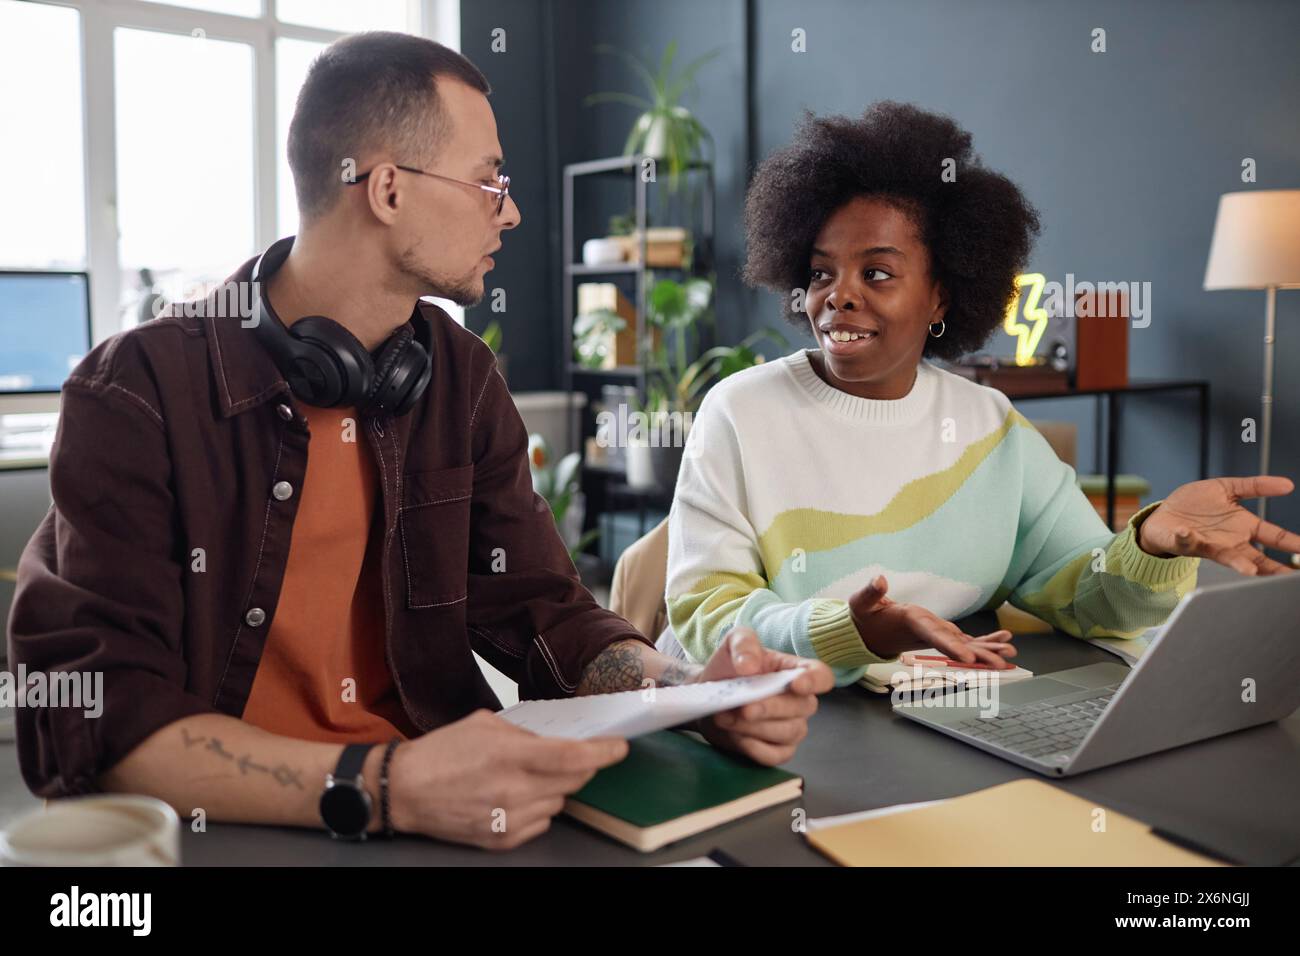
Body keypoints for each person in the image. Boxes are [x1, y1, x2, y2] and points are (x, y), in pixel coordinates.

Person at [7, 32, 832, 851]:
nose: (508, 210)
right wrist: (383, 788)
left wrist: (688, 692)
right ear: (389, 190)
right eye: (488, 181)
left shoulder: (460, 375)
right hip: (247, 826)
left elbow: (542, 608)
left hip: (451, 815)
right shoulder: (138, 391)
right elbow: (91, 716)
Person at [665, 101, 1299, 687]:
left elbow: (1091, 598)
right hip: (777, 714)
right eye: (821, 272)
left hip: (937, 711)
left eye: (877, 272)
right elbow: (706, 618)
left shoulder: (988, 424)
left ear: (941, 295)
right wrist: (850, 633)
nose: (839, 295)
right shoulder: (741, 412)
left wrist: (1152, 542)